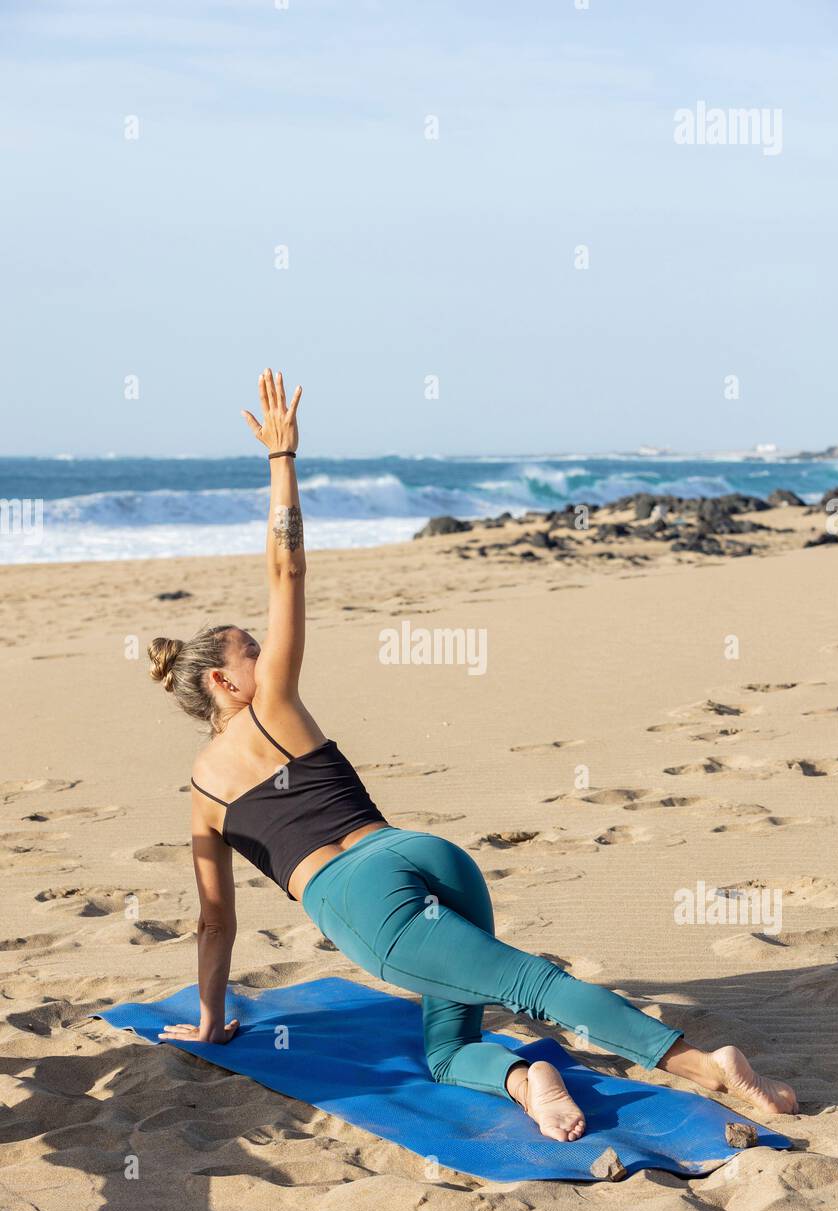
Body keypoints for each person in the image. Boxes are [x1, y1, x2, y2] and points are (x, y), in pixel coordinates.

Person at [147, 370, 797, 1142]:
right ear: (223, 679)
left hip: (369, 906)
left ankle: (705, 1065)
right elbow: (288, 569)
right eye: (251, 649)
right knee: (450, 1047)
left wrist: (213, 1020)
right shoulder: (279, 710)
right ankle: (526, 1077)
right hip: (427, 856)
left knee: (530, 983)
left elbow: (214, 923)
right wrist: (282, 461)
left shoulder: (207, 792)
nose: (263, 651)